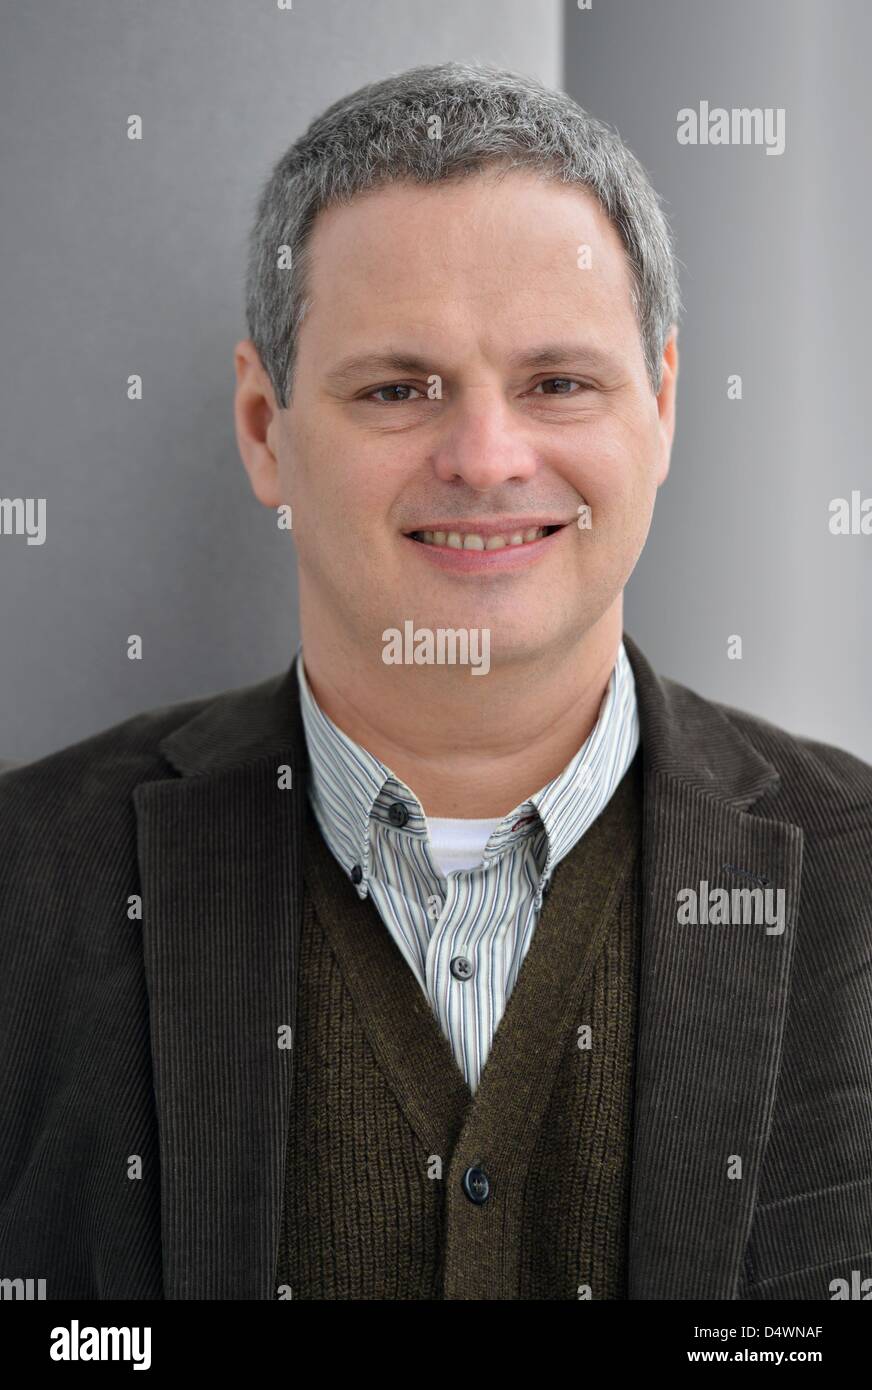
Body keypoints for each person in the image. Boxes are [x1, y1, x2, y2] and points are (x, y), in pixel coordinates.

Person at [1, 61, 870, 1302]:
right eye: (398, 389)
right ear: (265, 428)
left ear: (662, 405)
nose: (484, 456)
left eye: (556, 382)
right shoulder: (26, 889)